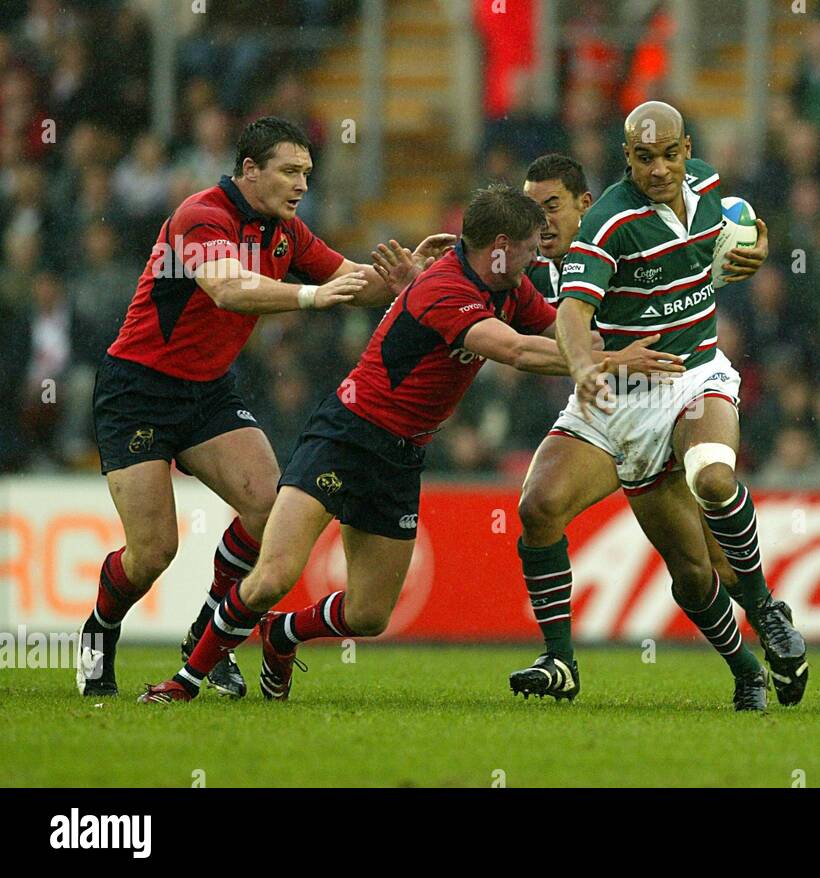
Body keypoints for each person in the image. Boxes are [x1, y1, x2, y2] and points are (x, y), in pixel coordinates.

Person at [136, 185, 654, 703]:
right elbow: (517, 350)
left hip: (401, 457)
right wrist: (605, 362)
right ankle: (185, 682)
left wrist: (608, 334)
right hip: (346, 436)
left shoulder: (508, 288)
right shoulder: (444, 287)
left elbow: (567, 337)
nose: (537, 256)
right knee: (272, 575)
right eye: (528, 246)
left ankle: (282, 633)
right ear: (499, 244)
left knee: (369, 614)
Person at [77, 116, 441, 699]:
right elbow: (228, 287)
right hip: (138, 391)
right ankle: (100, 630)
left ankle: (206, 633)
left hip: (207, 391)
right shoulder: (201, 215)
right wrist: (309, 295)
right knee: (153, 553)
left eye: (307, 173)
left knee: (269, 509)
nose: (302, 184)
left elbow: (352, 281)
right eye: (290, 171)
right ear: (249, 170)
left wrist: (407, 280)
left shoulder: (286, 232)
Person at [505, 152, 795, 704]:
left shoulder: (627, 222)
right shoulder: (532, 268)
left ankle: (768, 614)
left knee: (716, 533)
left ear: (583, 205)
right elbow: (536, 338)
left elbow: (732, 225)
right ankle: (740, 669)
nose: (541, 223)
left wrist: (760, 245)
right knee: (544, 509)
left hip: (682, 387)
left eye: (552, 208)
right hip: (610, 406)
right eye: (531, 210)